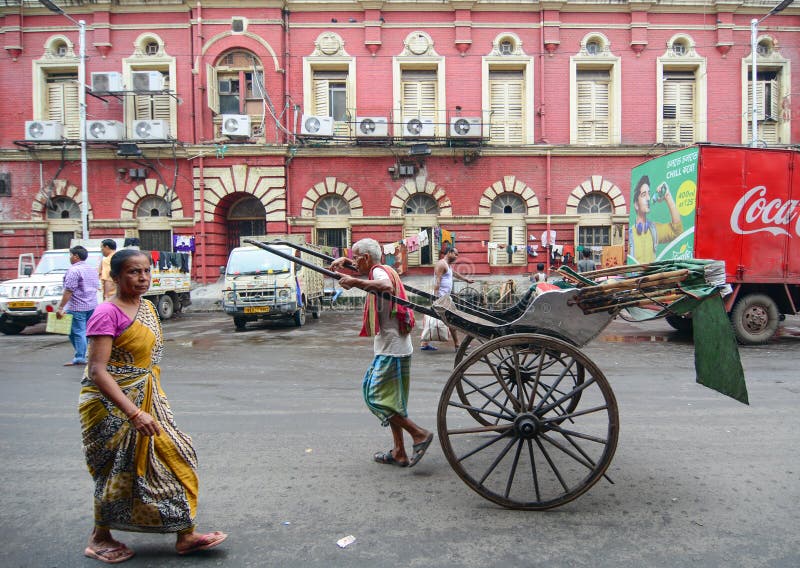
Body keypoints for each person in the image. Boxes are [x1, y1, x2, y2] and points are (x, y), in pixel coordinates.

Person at [79, 249, 227, 563]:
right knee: (117, 470)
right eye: (134, 272)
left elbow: (146, 363)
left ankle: (185, 534)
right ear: (116, 276)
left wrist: (148, 403)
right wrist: (133, 413)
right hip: (111, 407)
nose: (143, 277)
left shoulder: (147, 306)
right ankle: (99, 536)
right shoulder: (107, 312)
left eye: (146, 271)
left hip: (149, 399)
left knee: (177, 455)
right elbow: (97, 370)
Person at [331, 238, 433, 468]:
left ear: (366, 258)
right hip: (393, 347)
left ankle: (419, 434)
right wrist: (345, 262)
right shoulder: (382, 267)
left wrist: (355, 282)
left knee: (375, 396)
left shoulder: (379, 272)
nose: (355, 264)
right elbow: (368, 271)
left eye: (356, 258)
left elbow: (384, 286)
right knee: (392, 401)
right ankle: (399, 452)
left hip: (392, 350)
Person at [420, 247, 474, 351]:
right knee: (452, 319)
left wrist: (466, 280)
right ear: (449, 252)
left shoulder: (447, 265)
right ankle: (458, 345)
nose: (457, 257)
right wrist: (435, 299)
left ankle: (424, 343)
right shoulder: (441, 264)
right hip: (441, 298)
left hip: (445, 297)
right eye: (455, 254)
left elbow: (454, 274)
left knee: (438, 319)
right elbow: (437, 282)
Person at [56, 245, 100, 366]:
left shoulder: (74, 270)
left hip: (77, 307)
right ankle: (86, 354)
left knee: (77, 332)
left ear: (76, 256)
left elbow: (69, 290)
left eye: (71, 255)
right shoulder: (92, 269)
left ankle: (80, 357)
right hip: (91, 305)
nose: (70, 258)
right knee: (85, 332)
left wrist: (60, 307)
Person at [629, 174, 683, 264]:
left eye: (649, 194)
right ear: (636, 204)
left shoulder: (654, 229)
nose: (648, 198)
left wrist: (667, 196)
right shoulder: (630, 234)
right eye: (643, 195)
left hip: (652, 277)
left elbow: (677, 231)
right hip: (635, 277)